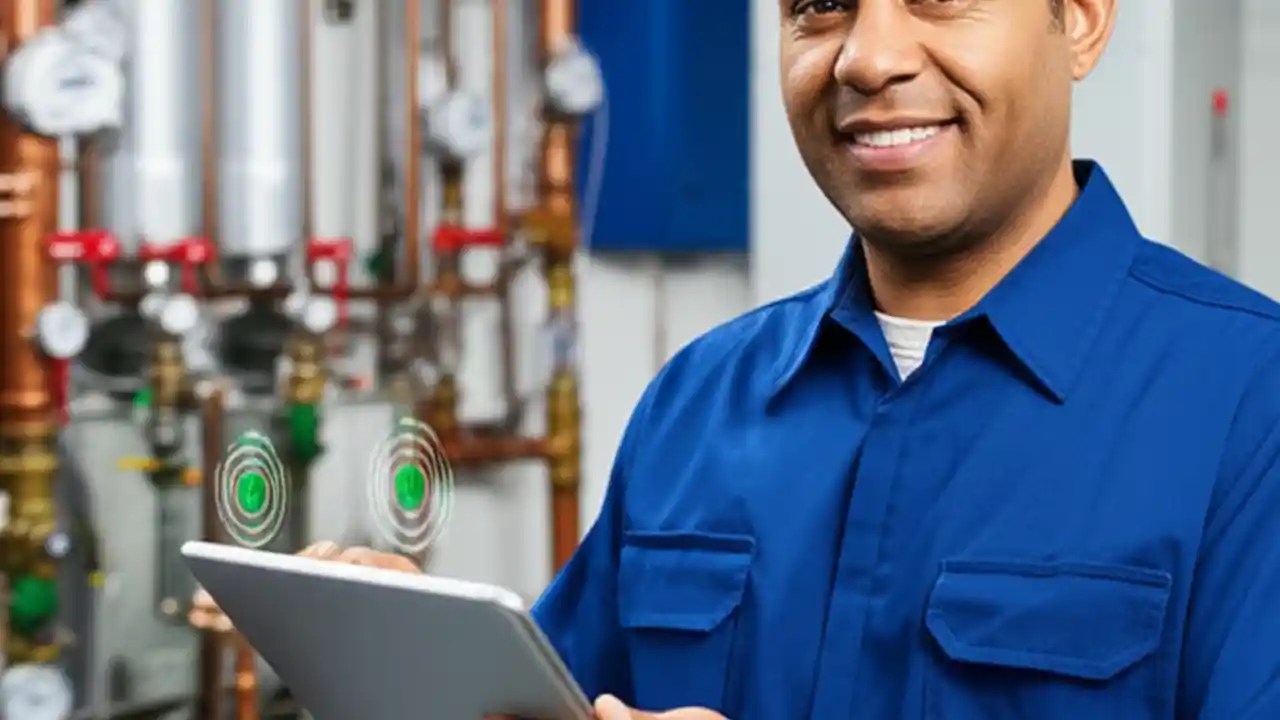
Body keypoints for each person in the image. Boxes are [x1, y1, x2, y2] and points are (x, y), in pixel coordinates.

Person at [197, 0, 1280, 717]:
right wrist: (415, 664)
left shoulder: (1244, 404)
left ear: (1079, 22)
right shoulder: (699, 400)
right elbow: (567, 698)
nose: (867, 56)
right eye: (818, 5)